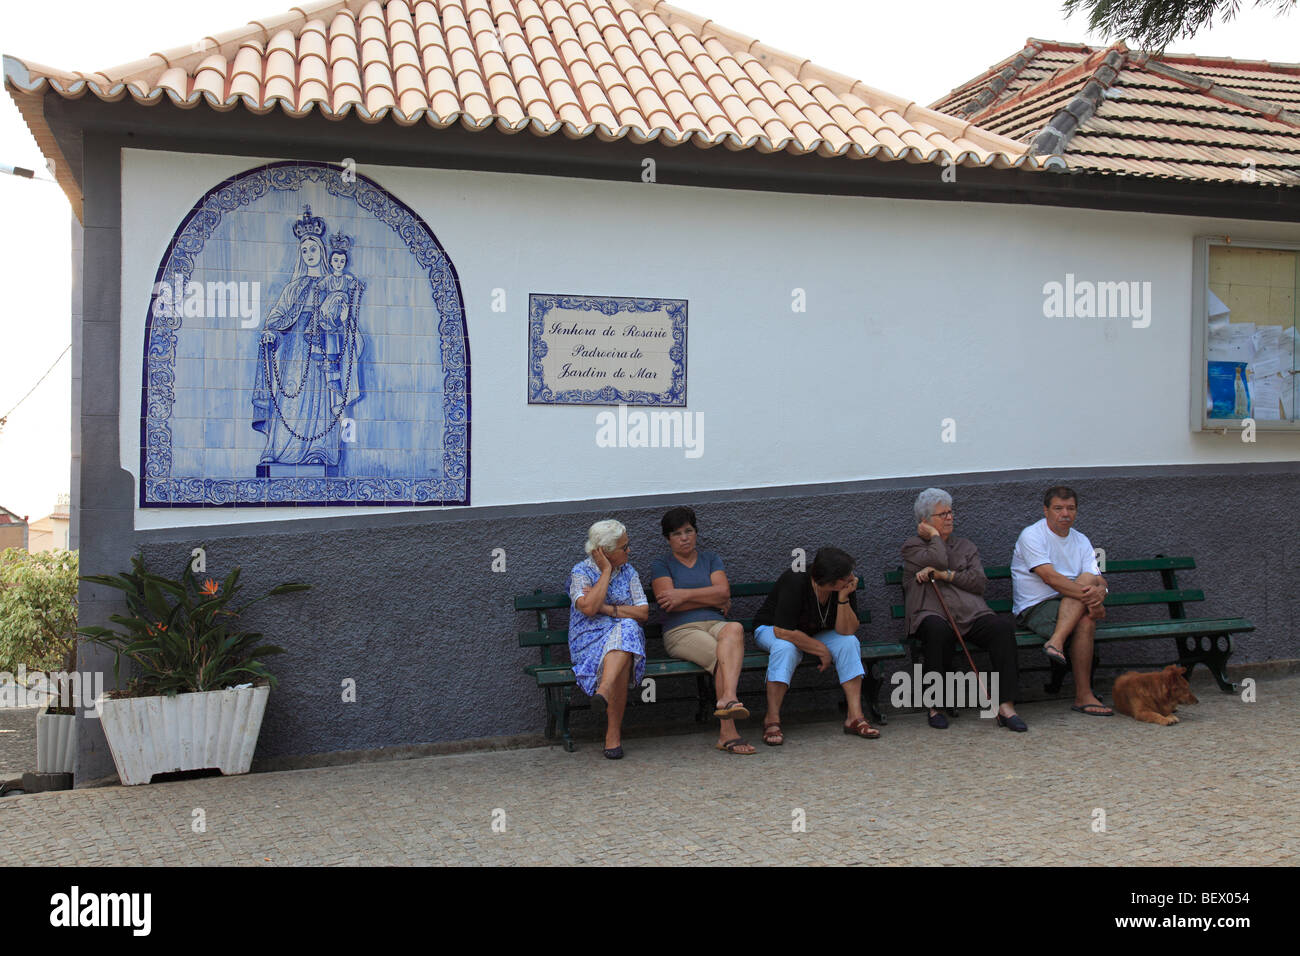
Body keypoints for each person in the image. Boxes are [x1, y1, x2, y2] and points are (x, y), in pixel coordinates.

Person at [902, 488, 1027, 732]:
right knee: (937, 631)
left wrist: (945, 575)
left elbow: (978, 582)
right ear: (925, 522)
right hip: (931, 612)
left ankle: (1006, 705)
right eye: (942, 514)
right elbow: (937, 559)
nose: (949, 517)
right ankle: (935, 705)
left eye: (950, 512)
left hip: (970, 613)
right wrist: (936, 538)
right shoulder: (912, 547)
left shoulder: (966, 547)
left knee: (1001, 629)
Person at [253, 207, 364, 473]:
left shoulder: (332, 283)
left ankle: (320, 451)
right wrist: (271, 331)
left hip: (324, 350)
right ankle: (280, 450)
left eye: (313, 249)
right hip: (294, 354)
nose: (309, 254)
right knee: (290, 400)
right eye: (304, 250)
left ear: (322, 252)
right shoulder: (294, 287)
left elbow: (347, 319)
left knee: (323, 400)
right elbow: (278, 317)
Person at [650, 507, 754, 756]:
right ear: (668, 539)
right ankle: (728, 733)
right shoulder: (661, 564)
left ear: (696, 533)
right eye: (677, 533)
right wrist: (710, 598)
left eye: (689, 531)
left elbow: (724, 593)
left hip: (716, 624)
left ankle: (727, 697)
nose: (684, 537)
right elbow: (668, 602)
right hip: (681, 630)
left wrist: (683, 595)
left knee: (735, 627)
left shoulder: (711, 558)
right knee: (722, 658)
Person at [753, 546, 879, 744]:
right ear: (830, 580)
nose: (852, 578)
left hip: (814, 632)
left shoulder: (844, 585)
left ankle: (854, 717)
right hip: (772, 628)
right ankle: (772, 719)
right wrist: (820, 649)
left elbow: (847, 630)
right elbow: (782, 631)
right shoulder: (796, 579)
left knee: (849, 643)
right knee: (785, 648)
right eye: (846, 576)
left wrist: (844, 599)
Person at [1011, 485, 1112, 716]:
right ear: (1046, 510)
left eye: (1070, 508)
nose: (1065, 514)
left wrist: (1100, 595)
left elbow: (1100, 580)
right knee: (1084, 608)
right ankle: (1084, 694)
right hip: (1035, 606)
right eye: (1058, 508)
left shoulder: (1081, 540)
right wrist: (1094, 602)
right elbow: (1051, 579)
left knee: (1087, 587)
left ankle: (1057, 645)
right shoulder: (1032, 535)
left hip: (1072, 602)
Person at [568, 519, 649, 758]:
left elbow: (643, 612)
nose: (629, 551)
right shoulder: (580, 572)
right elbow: (588, 610)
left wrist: (606, 608)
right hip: (588, 640)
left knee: (628, 629)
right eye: (624, 547)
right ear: (605, 552)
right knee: (625, 644)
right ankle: (612, 736)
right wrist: (605, 571)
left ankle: (603, 692)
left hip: (623, 640)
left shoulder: (629, 572)